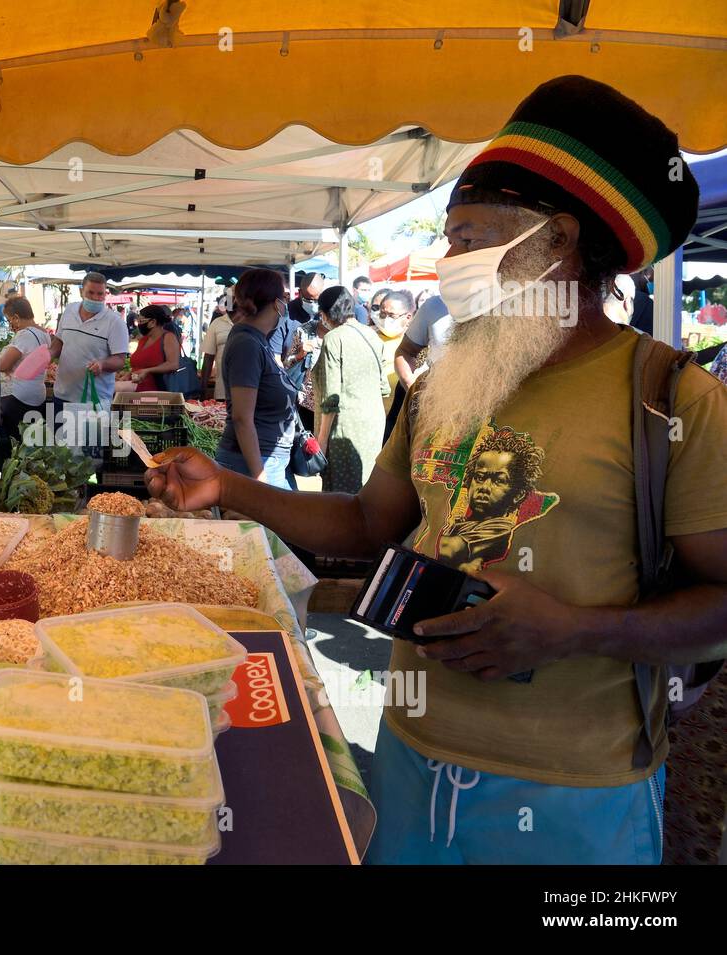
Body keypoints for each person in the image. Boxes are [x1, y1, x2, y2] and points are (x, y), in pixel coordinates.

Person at [146, 75, 724, 866]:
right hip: (412, 754)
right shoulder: (444, 381)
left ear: (555, 242)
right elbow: (366, 522)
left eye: (469, 238)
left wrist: (579, 630)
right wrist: (232, 489)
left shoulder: (671, 397)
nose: (448, 261)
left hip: (577, 796)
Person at [214, 268, 301, 488]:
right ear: (275, 303)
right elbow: (242, 417)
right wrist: (259, 477)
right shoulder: (247, 344)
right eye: (284, 298)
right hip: (254, 463)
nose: (285, 304)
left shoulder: (257, 340)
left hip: (267, 460)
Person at [311, 285, 391, 493]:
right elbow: (384, 388)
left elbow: (331, 397)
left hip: (345, 427)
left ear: (327, 313)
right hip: (373, 423)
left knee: (340, 491)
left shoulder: (334, 338)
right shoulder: (373, 336)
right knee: (365, 487)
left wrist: (321, 440)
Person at [49, 270, 129, 430]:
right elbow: (58, 343)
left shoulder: (115, 323)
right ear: (81, 292)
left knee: (88, 452)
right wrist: (46, 356)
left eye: (100, 294)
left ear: (105, 294)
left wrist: (102, 364)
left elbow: (120, 360)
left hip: (94, 401)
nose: (95, 298)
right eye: (90, 293)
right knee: (59, 449)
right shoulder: (69, 311)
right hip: (62, 395)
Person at [0, 296, 51, 465]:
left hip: (16, 398)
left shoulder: (25, 335)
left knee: (11, 447)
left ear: (17, 317)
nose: (11, 324)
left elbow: (3, 365)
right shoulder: (44, 334)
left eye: (10, 320)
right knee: (27, 446)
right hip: (36, 396)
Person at [373, 289, 416, 438]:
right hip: (374, 416)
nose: (385, 319)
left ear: (408, 317)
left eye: (391, 315)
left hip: (401, 415)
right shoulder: (369, 336)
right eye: (382, 314)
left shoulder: (415, 343)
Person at [126, 304, 181, 392]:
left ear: (152, 322)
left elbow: (173, 364)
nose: (139, 324)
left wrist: (148, 371)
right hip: (136, 389)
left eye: (141, 321)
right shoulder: (143, 339)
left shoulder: (168, 337)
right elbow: (139, 365)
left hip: (155, 391)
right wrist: (128, 374)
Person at [200, 305, 234, 400]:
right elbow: (208, 358)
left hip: (249, 393)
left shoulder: (252, 322)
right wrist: (203, 389)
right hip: (222, 392)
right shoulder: (217, 323)